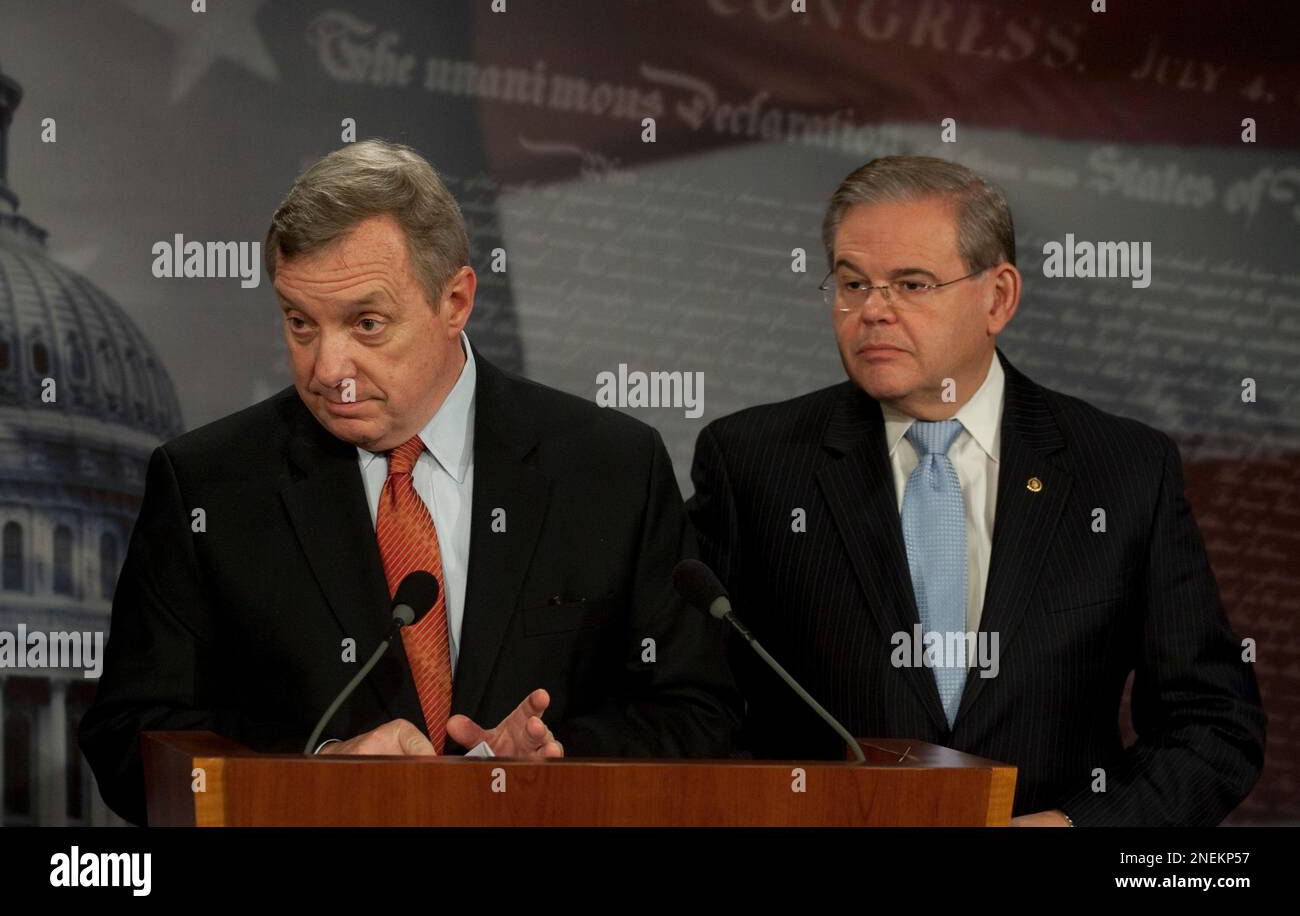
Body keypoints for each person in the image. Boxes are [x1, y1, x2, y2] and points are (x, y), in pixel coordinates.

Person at [81, 139, 740, 826]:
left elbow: (696, 710)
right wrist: (319, 771)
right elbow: (131, 738)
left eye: (367, 324)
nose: (328, 367)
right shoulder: (210, 485)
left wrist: (554, 760)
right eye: (301, 323)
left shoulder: (609, 469)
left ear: (455, 300)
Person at [686, 155, 1265, 825]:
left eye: (912, 283)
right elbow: (693, 705)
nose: (873, 311)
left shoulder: (1126, 467)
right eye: (852, 283)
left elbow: (1213, 720)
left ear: (998, 298)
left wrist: (1083, 827)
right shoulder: (752, 462)